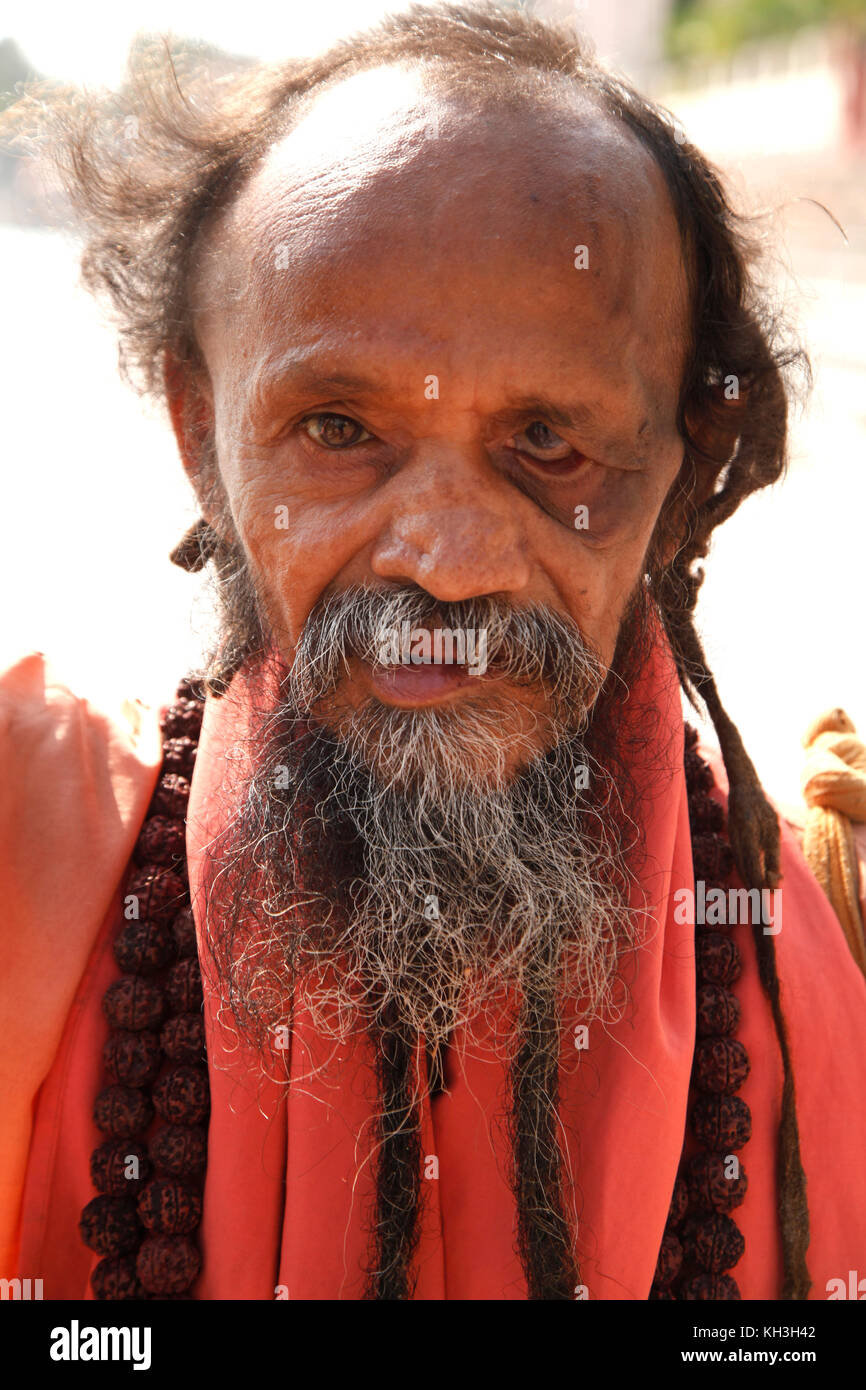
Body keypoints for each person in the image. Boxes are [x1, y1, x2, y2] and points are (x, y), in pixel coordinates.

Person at [2, 2, 865, 1302]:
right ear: (201, 434)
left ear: (679, 462)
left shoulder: (839, 917)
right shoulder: (28, 849)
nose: (446, 560)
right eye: (338, 427)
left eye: (549, 444)